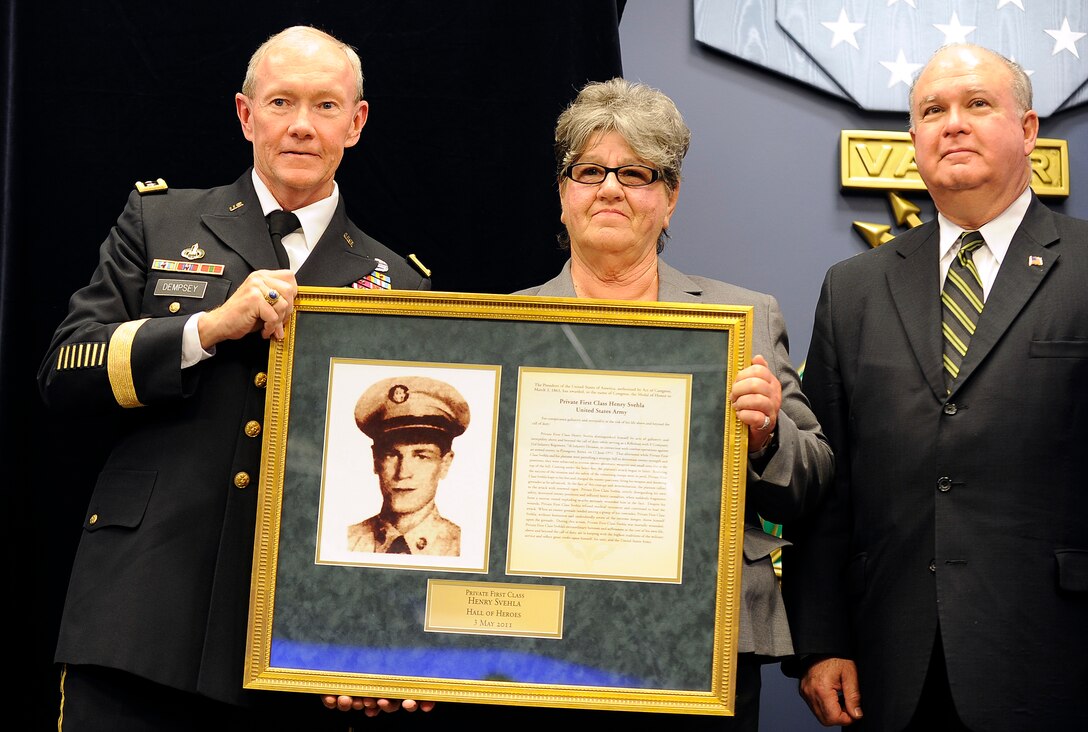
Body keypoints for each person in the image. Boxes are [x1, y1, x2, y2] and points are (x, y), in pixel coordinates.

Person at [38, 26, 437, 729]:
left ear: (357, 121)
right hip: (140, 612)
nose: (302, 127)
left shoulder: (396, 282)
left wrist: (384, 638)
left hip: (294, 639)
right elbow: (66, 371)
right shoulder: (159, 223)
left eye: (325, 106)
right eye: (281, 102)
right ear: (246, 114)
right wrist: (206, 329)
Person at [783, 43, 1088, 731]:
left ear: (1030, 129)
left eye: (977, 104)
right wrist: (823, 642)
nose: (953, 122)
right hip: (893, 669)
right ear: (914, 138)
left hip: (1058, 656)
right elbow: (828, 488)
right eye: (932, 110)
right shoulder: (853, 288)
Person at [514, 77, 833, 730]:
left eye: (636, 173)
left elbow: (815, 481)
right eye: (590, 170)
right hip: (544, 641)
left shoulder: (743, 317)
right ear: (563, 193)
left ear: (670, 197)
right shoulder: (506, 326)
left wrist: (770, 433)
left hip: (702, 642)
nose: (610, 188)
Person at [348, 376, 470, 556]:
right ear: (376, 461)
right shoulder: (348, 542)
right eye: (391, 455)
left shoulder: (463, 548)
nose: (403, 473)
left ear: (445, 464)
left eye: (421, 456)